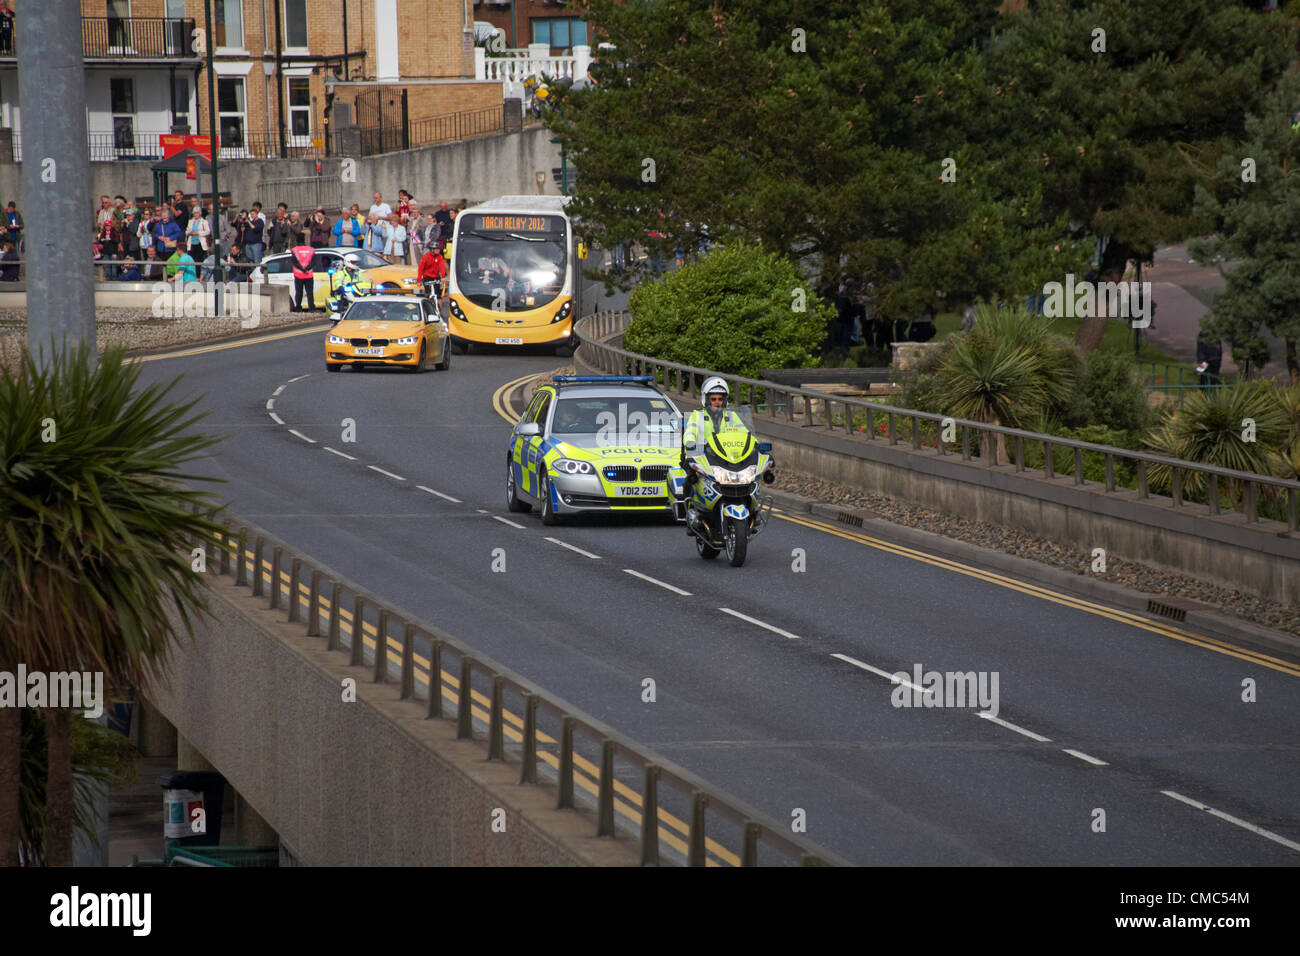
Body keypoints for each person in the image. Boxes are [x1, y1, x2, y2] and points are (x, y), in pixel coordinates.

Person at [681, 378, 748, 495]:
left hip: (725, 457)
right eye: (713, 399)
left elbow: (745, 433)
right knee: (690, 479)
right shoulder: (697, 415)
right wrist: (690, 442)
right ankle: (685, 506)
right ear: (706, 400)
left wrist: (755, 444)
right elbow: (690, 431)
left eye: (720, 399)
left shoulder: (731, 416)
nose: (717, 402)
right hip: (701, 456)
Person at [289, 242, 318, 312]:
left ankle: (298, 307)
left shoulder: (295, 250)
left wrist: (302, 269)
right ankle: (311, 308)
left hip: (298, 275)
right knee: (310, 292)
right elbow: (314, 261)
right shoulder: (311, 249)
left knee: (299, 292)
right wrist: (307, 269)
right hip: (309, 275)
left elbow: (294, 262)